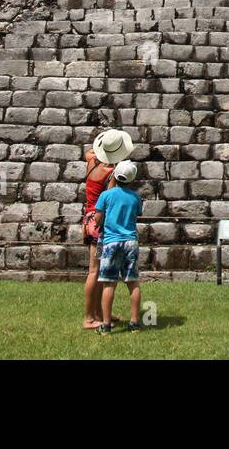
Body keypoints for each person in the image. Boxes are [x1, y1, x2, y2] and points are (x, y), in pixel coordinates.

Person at [82, 129, 134, 330]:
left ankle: (98, 312)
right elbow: (110, 199)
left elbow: (89, 152)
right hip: (99, 221)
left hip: (88, 218)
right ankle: (88, 317)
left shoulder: (91, 161)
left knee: (99, 270)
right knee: (95, 271)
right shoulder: (110, 174)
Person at [93, 159, 143, 335]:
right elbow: (136, 213)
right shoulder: (136, 197)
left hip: (111, 241)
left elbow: (98, 219)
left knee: (109, 284)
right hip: (130, 241)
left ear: (115, 175)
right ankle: (135, 323)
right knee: (133, 282)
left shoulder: (106, 196)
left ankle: (106, 325)